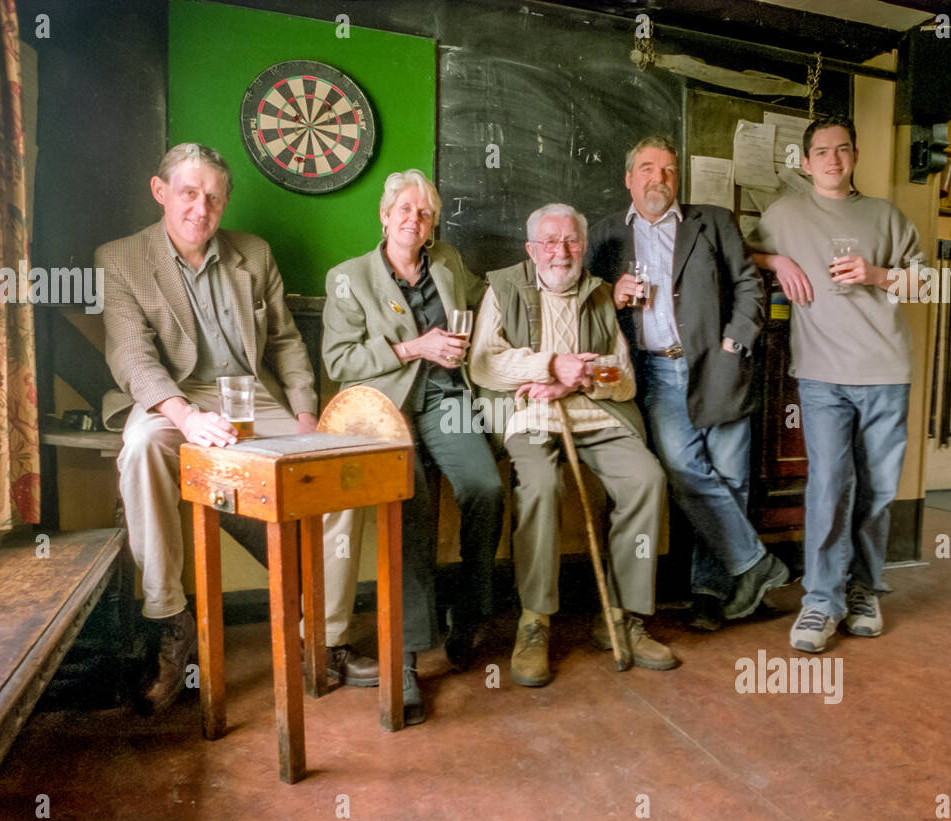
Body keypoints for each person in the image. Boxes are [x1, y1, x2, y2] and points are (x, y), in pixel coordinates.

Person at [98, 142, 344, 713]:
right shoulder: (120, 258)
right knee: (141, 448)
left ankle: (325, 627)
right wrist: (185, 416)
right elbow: (134, 358)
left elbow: (284, 341)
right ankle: (170, 617)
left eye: (212, 198)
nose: (200, 209)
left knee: (331, 466)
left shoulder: (252, 254)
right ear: (161, 192)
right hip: (176, 397)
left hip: (252, 394)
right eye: (188, 193)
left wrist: (307, 418)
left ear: (225, 203)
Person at [321, 169, 503, 725]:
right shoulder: (347, 277)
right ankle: (404, 659)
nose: (413, 220)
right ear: (383, 215)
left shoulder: (446, 261)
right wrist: (413, 347)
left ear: (432, 224)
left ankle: (469, 612)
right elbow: (339, 361)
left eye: (424, 213)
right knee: (410, 510)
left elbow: (487, 299)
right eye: (403, 209)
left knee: (486, 487)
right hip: (387, 411)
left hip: (447, 399)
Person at [588, 136, 787, 633]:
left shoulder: (713, 221)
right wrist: (611, 294)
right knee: (685, 471)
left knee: (732, 480)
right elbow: (580, 301)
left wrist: (735, 343)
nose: (660, 178)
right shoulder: (605, 234)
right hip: (654, 372)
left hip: (718, 366)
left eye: (669, 170)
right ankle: (756, 563)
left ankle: (711, 592)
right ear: (629, 178)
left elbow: (748, 284)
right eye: (649, 169)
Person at [470, 203, 672, 687]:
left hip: (595, 413)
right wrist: (550, 366)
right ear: (531, 249)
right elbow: (483, 363)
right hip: (530, 416)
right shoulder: (503, 287)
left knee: (647, 479)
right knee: (539, 487)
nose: (561, 252)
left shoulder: (600, 293)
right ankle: (535, 620)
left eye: (571, 241)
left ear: (582, 245)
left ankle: (620, 615)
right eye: (549, 242)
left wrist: (578, 380)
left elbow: (621, 379)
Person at [746, 115, 925, 653]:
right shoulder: (783, 214)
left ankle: (864, 589)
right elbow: (740, 252)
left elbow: (927, 282)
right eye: (821, 151)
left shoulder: (884, 215)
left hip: (886, 373)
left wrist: (875, 274)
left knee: (876, 490)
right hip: (822, 376)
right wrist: (775, 258)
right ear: (804, 163)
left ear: (854, 156)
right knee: (828, 486)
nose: (832, 159)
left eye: (842, 149)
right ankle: (821, 602)